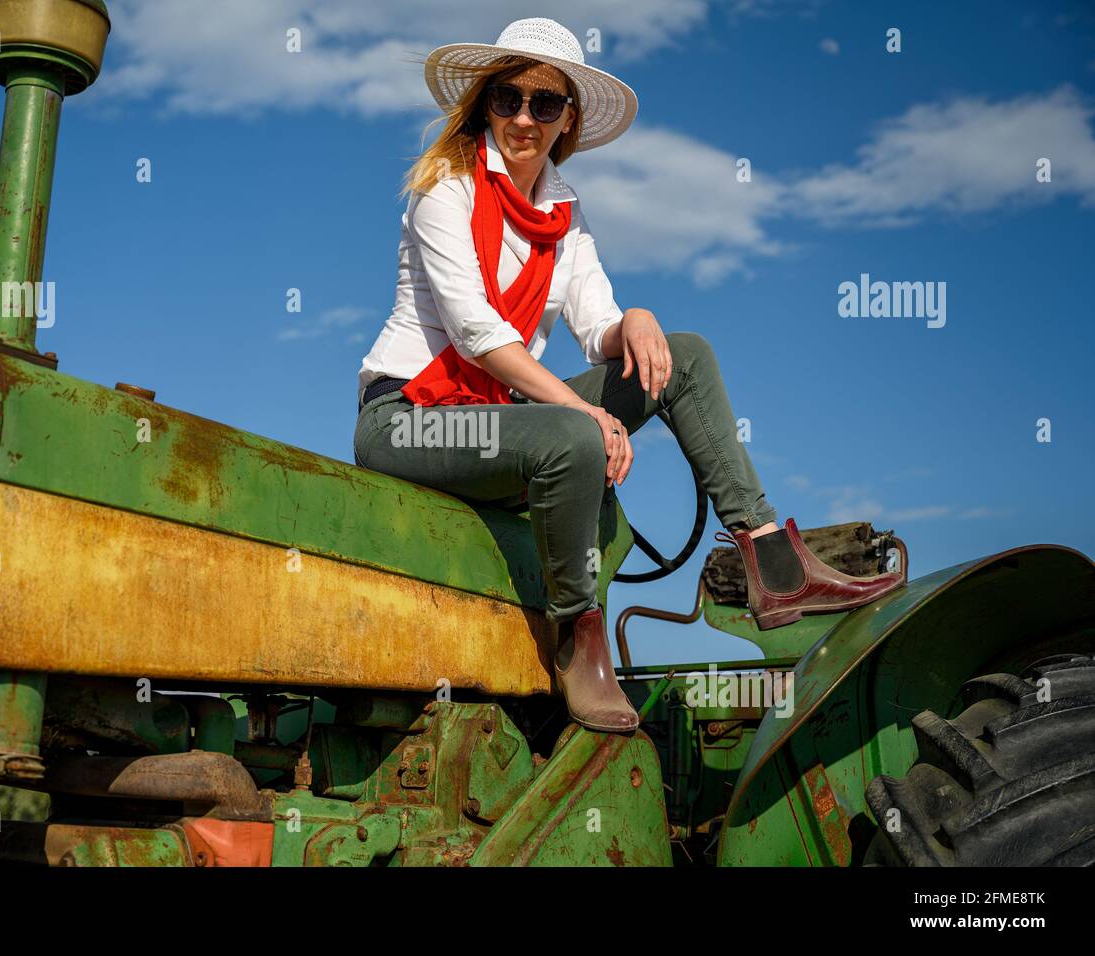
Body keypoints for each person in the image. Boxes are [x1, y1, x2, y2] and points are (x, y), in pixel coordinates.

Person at [354, 18, 903, 733]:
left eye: (544, 103)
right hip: (411, 418)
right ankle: (578, 639)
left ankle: (771, 561)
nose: (524, 117)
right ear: (486, 103)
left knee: (686, 354)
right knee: (569, 438)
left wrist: (634, 321)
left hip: (504, 412)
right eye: (508, 98)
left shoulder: (565, 215)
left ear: (567, 119)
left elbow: (597, 326)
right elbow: (477, 333)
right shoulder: (445, 190)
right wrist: (585, 415)